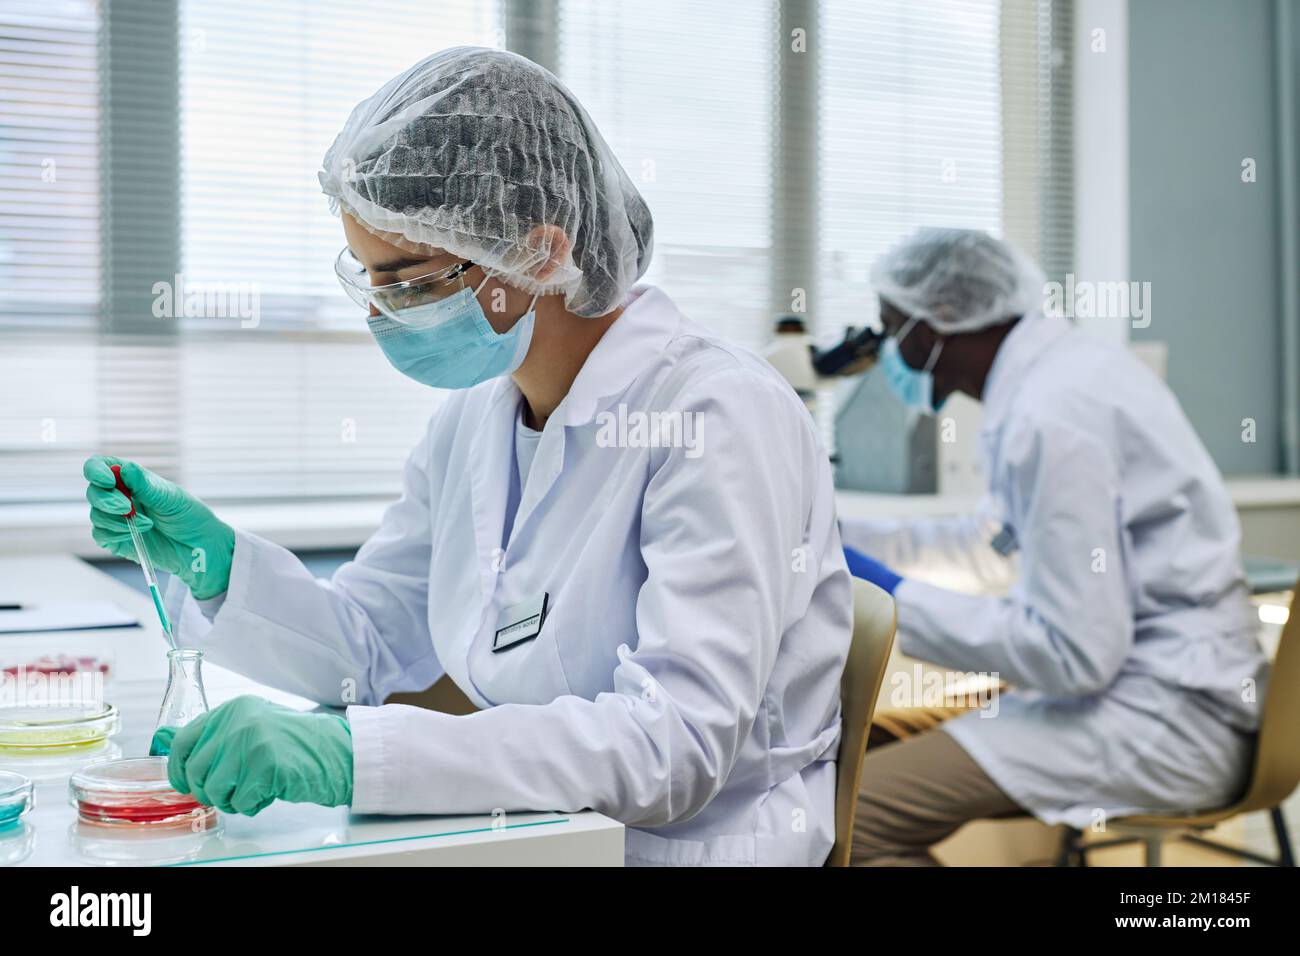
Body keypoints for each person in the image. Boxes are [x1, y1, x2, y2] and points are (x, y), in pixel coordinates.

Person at [83, 48, 851, 867]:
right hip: (539, 835)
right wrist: (218, 565)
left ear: (543, 253)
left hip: (693, 849)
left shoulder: (715, 416)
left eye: (408, 282)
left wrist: (354, 757)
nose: (383, 315)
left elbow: (673, 747)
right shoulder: (477, 418)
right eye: (369, 283)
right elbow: (369, 645)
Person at [842, 227, 1268, 866]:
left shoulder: (1053, 411)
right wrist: (843, 537)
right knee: (861, 743)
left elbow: (1073, 654)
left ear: (932, 329)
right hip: (1149, 690)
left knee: (849, 818)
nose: (885, 356)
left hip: (1162, 719)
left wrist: (894, 597)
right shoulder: (1059, 376)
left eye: (890, 329)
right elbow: (993, 546)